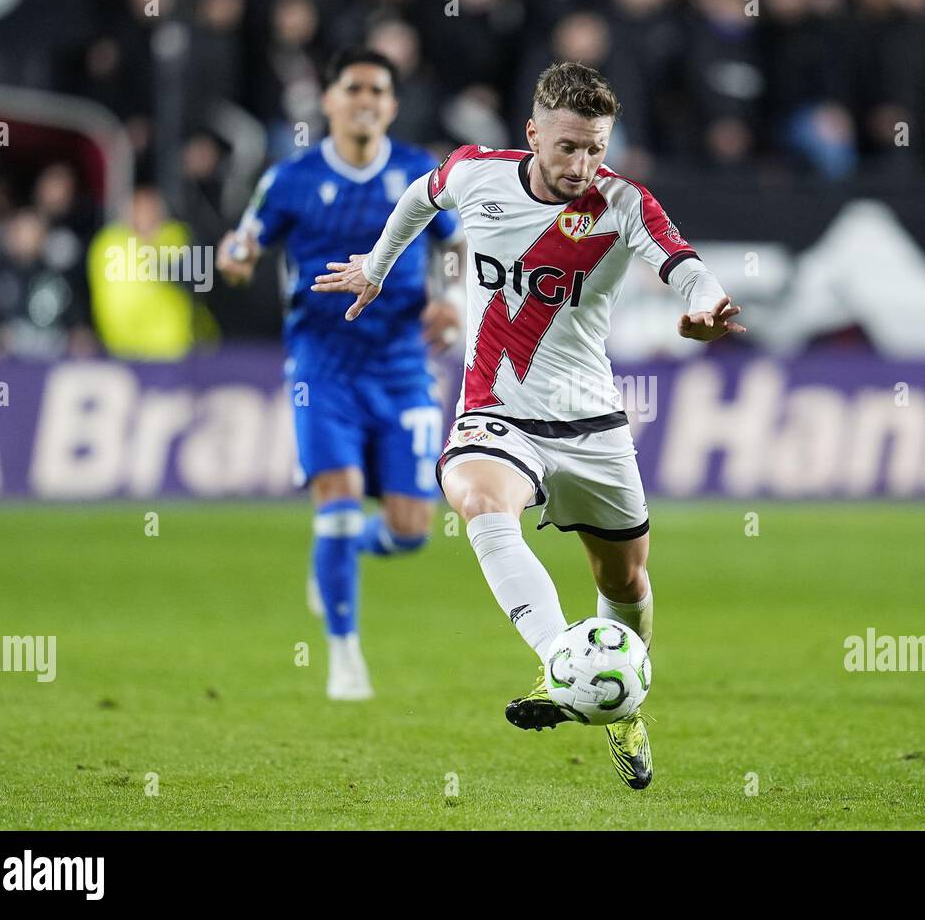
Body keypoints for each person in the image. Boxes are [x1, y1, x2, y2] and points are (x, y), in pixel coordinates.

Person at [312, 62, 744, 788]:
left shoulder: (623, 203)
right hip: (496, 412)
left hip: (593, 424)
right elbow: (420, 197)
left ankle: (621, 701)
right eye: (569, 147)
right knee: (478, 498)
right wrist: (379, 268)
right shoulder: (476, 174)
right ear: (533, 134)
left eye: (597, 149)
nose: (583, 166)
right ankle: (560, 664)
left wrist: (707, 306)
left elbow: (685, 265)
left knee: (626, 577)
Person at [217, 48, 466, 701]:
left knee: (412, 529)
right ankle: (344, 655)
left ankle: (345, 550)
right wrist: (235, 256)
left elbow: (461, 250)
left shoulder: (421, 173)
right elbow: (244, 248)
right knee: (339, 494)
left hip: (404, 364)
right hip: (321, 366)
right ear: (327, 100)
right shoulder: (291, 178)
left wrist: (453, 301)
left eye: (379, 90)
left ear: (390, 104)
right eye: (353, 87)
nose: (366, 99)